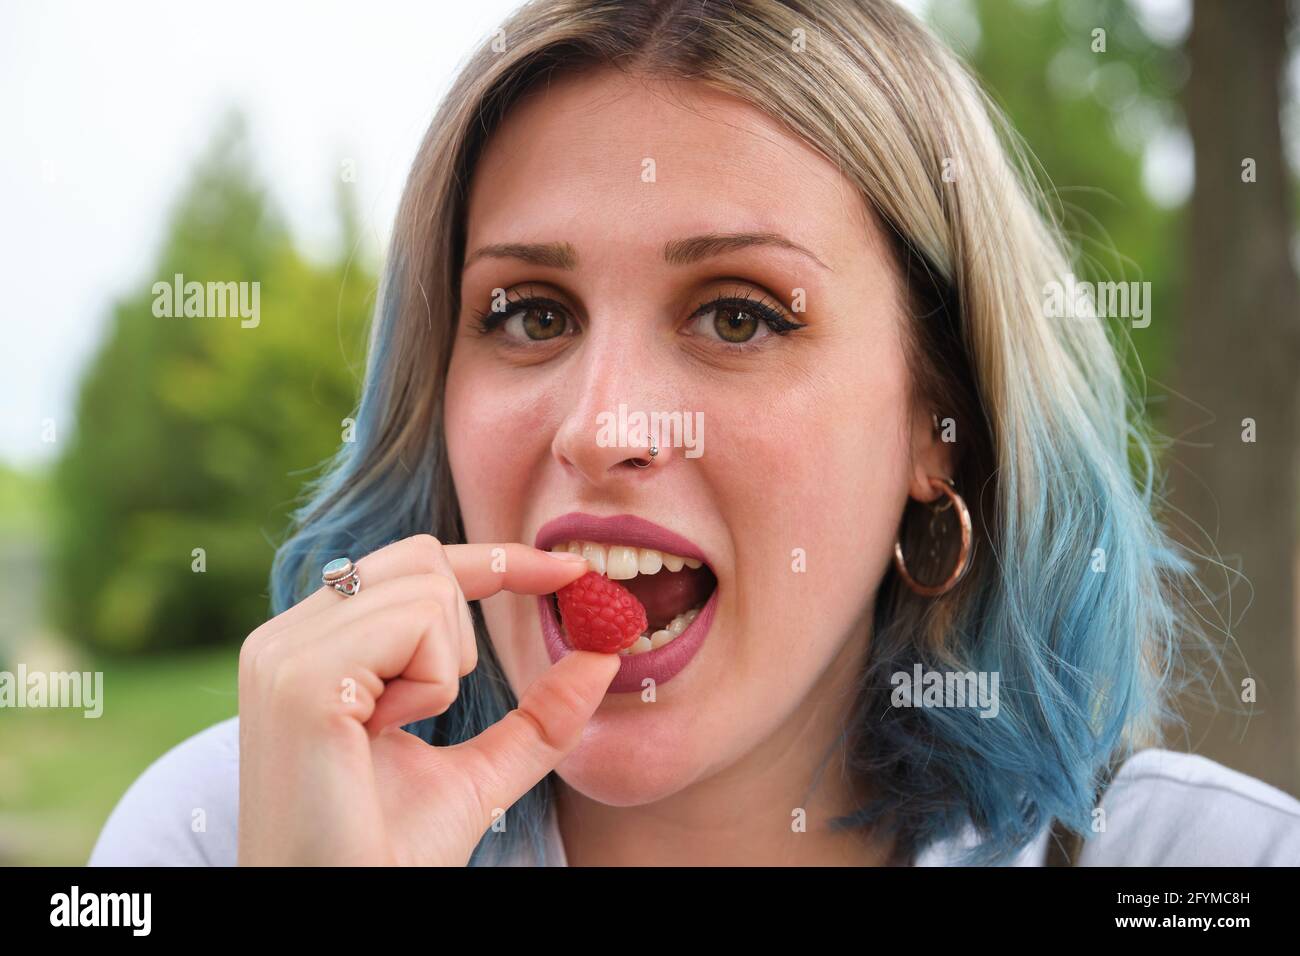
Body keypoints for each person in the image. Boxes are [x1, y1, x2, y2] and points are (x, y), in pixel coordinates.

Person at [89, 0, 1300, 867]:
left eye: (737, 313)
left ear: (944, 425)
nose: (607, 424)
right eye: (528, 313)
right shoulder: (219, 833)